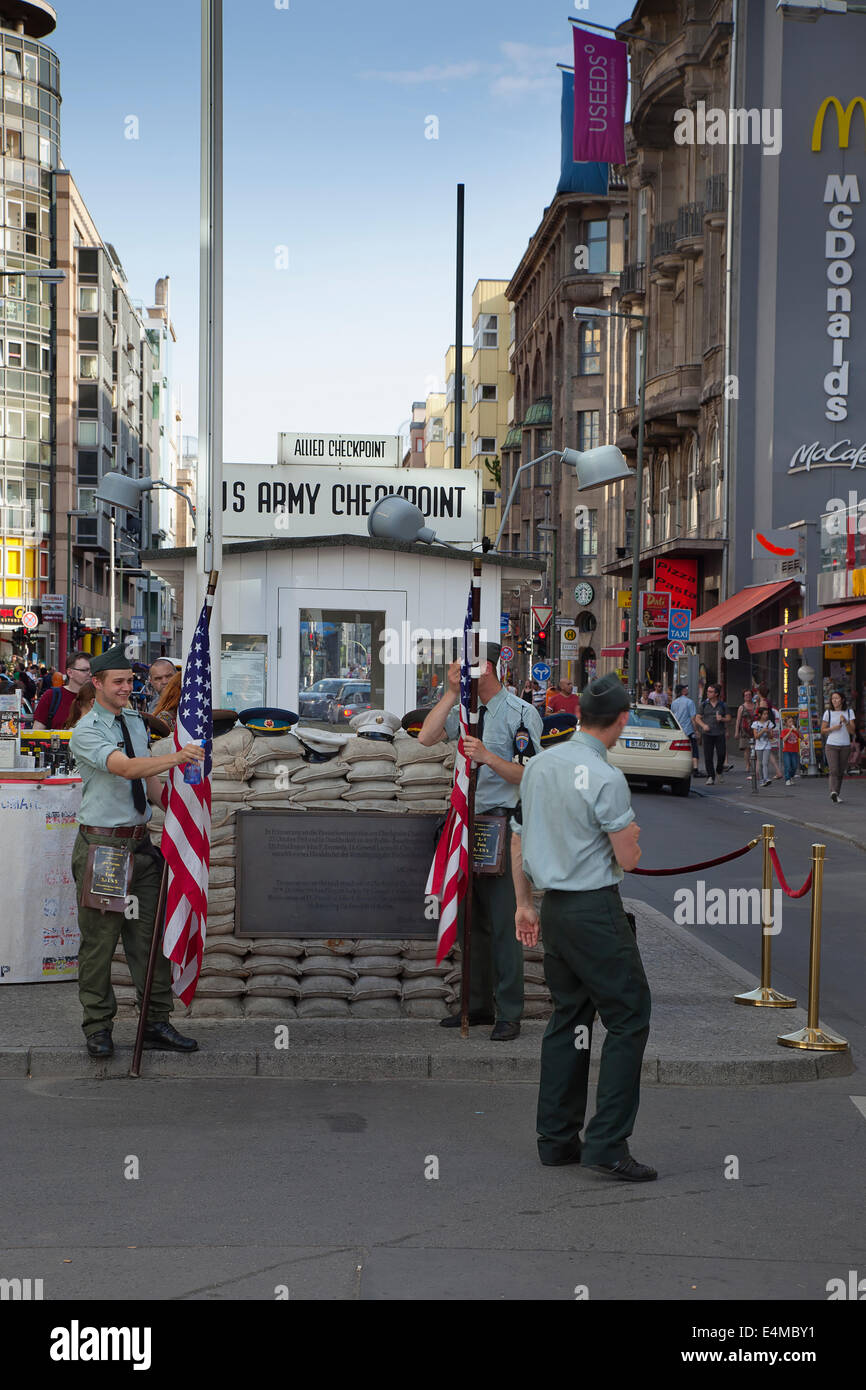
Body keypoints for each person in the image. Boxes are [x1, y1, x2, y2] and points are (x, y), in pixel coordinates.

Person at [510, 672, 655, 1182]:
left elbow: (519, 840)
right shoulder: (607, 778)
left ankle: (556, 1139)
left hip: (554, 910)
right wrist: (632, 838)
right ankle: (608, 1142)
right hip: (594, 910)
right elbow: (629, 860)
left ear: (577, 718)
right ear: (621, 719)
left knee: (569, 1019)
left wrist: (524, 905)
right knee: (630, 1015)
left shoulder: (540, 765)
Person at [68, 645, 205, 1059]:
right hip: (105, 847)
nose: (128, 688)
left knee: (148, 940)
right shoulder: (87, 729)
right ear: (97, 684)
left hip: (140, 844)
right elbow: (126, 769)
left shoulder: (133, 720)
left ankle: (156, 1022)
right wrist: (177, 758)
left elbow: (146, 786)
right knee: (101, 943)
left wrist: (182, 813)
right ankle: (98, 1027)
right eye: (119, 682)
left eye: (131, 680)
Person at [418, 642, 544, 1041]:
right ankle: (476, 1005)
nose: (455, 667)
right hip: (466, 825)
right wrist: (452, 692)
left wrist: (488, 757)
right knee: (471, 922)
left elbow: (530, 776)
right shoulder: (464, 712)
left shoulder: (521, 714)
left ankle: (509, 1011)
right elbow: (425, 737)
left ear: (485, 667)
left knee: (506, 921)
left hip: (504, 826)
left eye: (463, 664)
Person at [33, 651, 91, 730]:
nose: (90, 674)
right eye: (85, 670)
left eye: (92, 670)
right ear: (70, 672)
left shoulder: (99, 697)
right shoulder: (51, 696)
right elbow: (37, 733)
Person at [821, 690, 856, 803]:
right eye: (833, 699)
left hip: (845, 745)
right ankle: (833, 791)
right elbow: (822, 730)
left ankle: (836, 793)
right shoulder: (828, 713)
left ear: (842, 699)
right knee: (834, 770)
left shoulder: (849, 712)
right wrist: (832, 728)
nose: (834, 700)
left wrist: (845, 722)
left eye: (837, 698)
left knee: (840, 771)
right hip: (831, 745)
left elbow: (852, 731)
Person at [694, 683, 731, 785]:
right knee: (708, 756)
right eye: (708, 691)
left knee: (721, 754)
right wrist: (703, 725)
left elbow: (729, 718)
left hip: (719, 733)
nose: (708, 693)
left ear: (716, 694)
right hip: (708, 734)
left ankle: (719, 771)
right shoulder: (704, 705)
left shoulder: (723, 705)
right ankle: (711, 776)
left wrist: (722, 719)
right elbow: (697, 718)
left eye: (710, 692)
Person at [671, 683, 699, 775]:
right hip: (689, 729)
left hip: (678, 730)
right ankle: (695, 769)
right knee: (694, 748)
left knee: (679, 749)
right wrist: (696, 731)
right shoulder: (689, 702)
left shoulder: (674, 702)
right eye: (685, 688)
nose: (687, 689)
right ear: (683, 691)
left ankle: (677, 767)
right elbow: (693, 718)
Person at [751, 703, 775, 787]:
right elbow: (756, 736)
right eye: (764, 714)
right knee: (760, 763)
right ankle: (761, 780)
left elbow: (771, 737)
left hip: (767, 745)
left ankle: (766, 778)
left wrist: (768, 731)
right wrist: (763, 731)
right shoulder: (755, 724)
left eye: (767, 714)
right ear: (760, 715)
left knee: (765, 763)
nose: (766, 716)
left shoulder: (769, 723)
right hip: (758, 746)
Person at [735, 689, 757, 773]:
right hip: (744, 730)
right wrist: (737, 731)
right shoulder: (742, 707)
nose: (748, 696)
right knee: (746, 749)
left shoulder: (755, 706)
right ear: (743, 697)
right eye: (746, 695)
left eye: (749, 695)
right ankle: (747, 764)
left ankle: (753, 763)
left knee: (755, 748)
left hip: (755, 730)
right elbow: (738, 720)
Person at [781, 718, 800, 786]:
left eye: (792, 721)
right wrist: (790, 731)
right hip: (787, 751)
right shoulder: (784, 730)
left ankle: (791, 777)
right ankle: (787, 779)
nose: (791, 723)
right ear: (786, 723)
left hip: (795, 751)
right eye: (789, 722)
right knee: (788, 765)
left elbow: (802, 737)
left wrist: (797, 731)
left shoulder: (795, 731)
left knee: (794, 766)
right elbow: (784, 739)